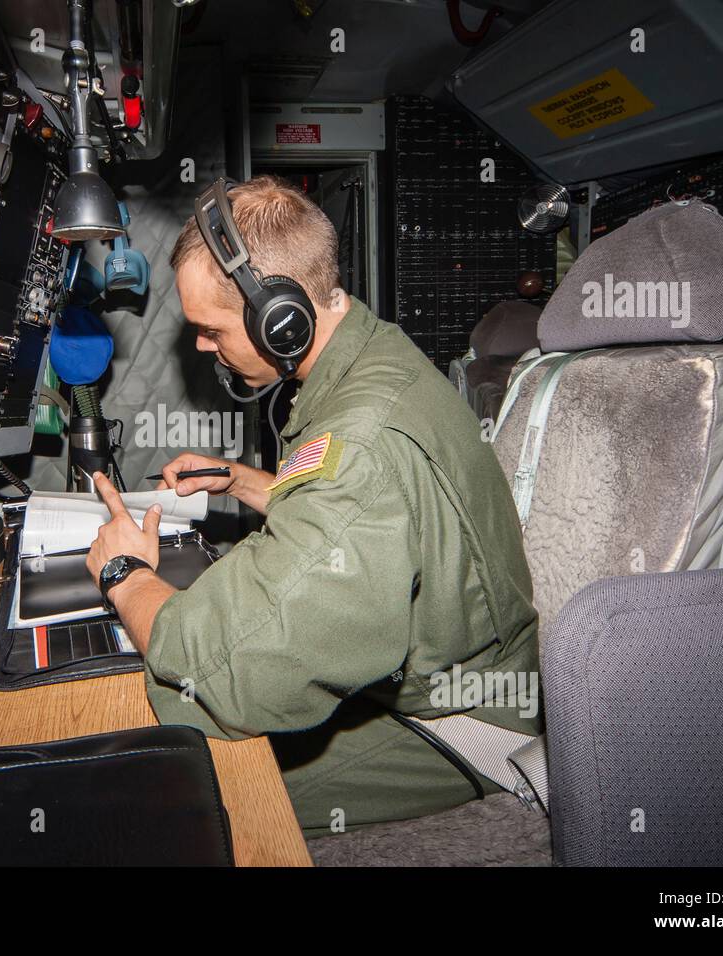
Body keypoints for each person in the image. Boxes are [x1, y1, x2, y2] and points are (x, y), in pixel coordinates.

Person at [84, 175, 539, 835]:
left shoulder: (362, 443)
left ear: (280, 316)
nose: (202, 348)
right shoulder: (368, 355)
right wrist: (240, 479)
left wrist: (125, 574)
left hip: (457, 720)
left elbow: (232, 670)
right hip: (423, 674)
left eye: (210, 330)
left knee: (167, 796)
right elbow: (352, 503)